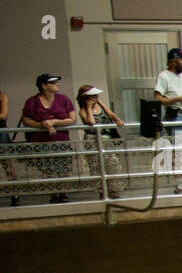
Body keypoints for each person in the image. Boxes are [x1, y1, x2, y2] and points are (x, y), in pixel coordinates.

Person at [20, 74, 77, 204]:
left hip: (61, 140)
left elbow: (72, 118)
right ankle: (53, 193)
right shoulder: (32, 101)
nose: (57, 84)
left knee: (63, 168)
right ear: (44, 86)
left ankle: (63, 192)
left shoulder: (63, 99)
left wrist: (54, 122)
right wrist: (41, 125)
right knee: (47, 168)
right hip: (41, 141)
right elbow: (26, 119)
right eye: (53, 82)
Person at [76, 84, 125, 199]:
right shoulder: (82, 110)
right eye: (93, 96)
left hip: (106, 138)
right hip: (92, 139)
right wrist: (88, 108)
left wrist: (101, 104)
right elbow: (91, 122)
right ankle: (102, 190)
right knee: (96, 165)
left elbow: (111, 115)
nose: (95, 97)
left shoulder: (100, 106)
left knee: (113, 163)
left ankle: (113, 189)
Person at [154, 48, 182, 141]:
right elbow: (157, 98)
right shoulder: (164, 76)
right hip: (175, 116)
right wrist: (178, 99)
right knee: (178, 148)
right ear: (173, 62)